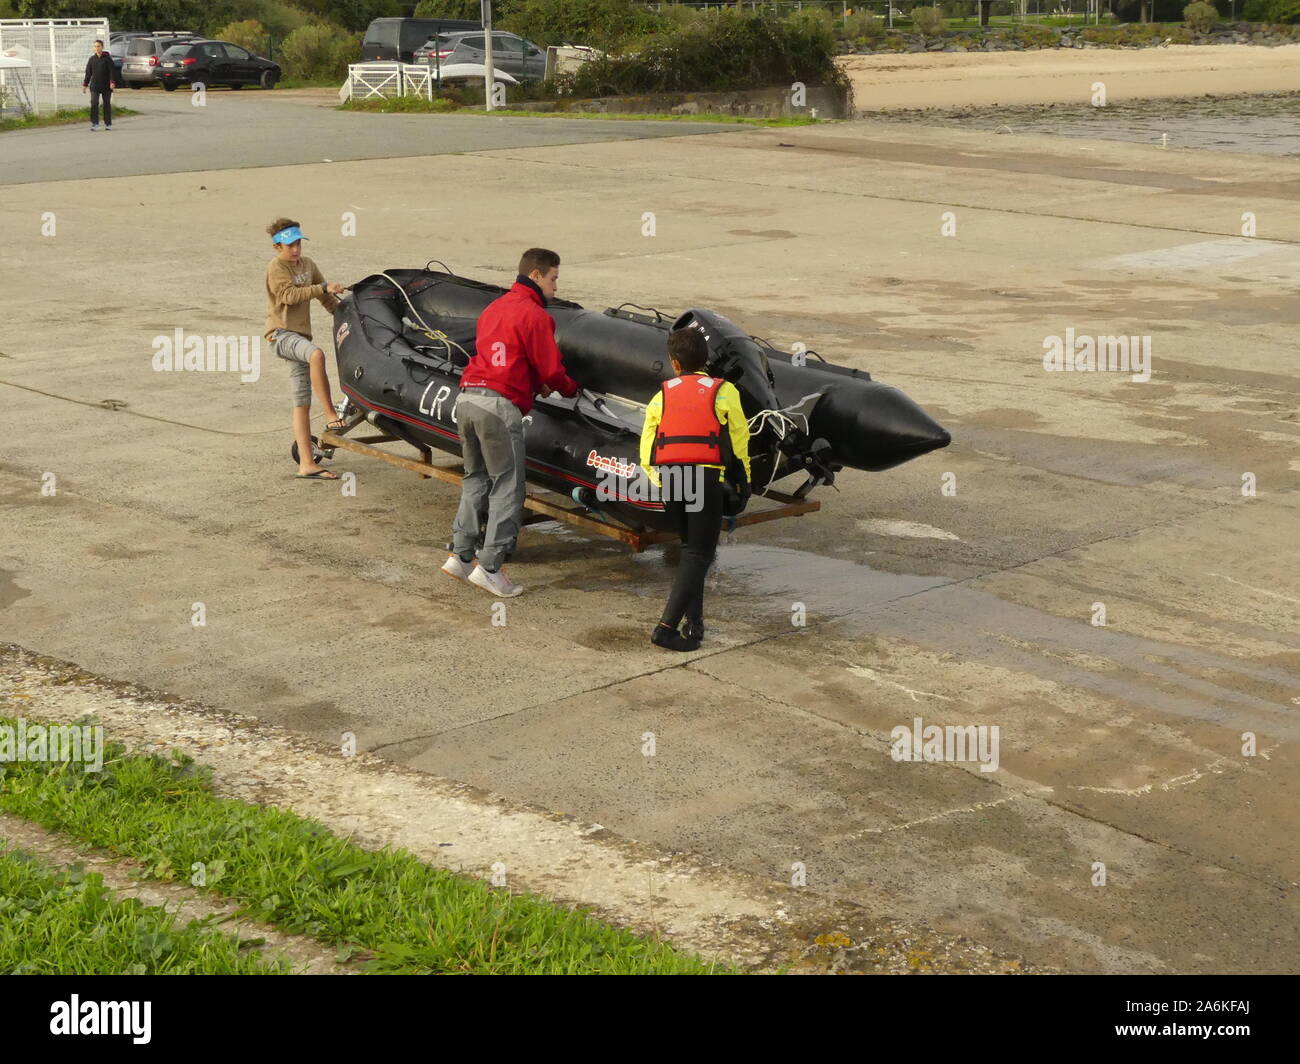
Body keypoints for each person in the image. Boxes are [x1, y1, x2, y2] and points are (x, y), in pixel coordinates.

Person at [441, 248, 578, 597]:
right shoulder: (536, 316)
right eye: (553, 279)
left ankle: (460, 555)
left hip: (468, 397)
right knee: (508, 486)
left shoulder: (493, 308)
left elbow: (503, 357)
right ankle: (490, 567)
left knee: (475, 478)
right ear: (535, 276)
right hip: (498, 407)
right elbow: (550, 369)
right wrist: (569, 387)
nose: (555, 288)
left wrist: (531, 380)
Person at [640, 328, 751, 652]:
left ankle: (695, 623)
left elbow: (647, 449)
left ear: (675, 364)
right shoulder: (724, 390)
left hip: (672, 479)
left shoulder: (662, 395)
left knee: (692, 551)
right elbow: (740, 437)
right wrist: (744, 481)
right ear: (706, 360)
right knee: (699, 554)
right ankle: (665, 628)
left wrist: (663, 482)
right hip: (704, 479)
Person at [262, 217, 347, 480]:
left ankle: (307, 463)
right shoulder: (276, 268)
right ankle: (332, 413)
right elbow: (288, 296)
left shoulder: (308, 265)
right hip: (281, 335)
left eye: (298, 243)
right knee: (316, 354)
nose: (296, 250)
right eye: (290, 246)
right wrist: (321, 287)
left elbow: (325, 297)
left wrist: (345, 314)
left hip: (300, 336)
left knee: (301, 404)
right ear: (278, 247)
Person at [82, 39, 116, 132]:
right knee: (94, 103)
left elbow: (112, 71)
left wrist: (112, 82)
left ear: (102, 47)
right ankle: (95, 123)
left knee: (106, 104)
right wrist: (85, 84)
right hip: (95, 86)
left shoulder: (107, 59)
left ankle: (108, 123)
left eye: (98, 46)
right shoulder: (92, 59)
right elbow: (88, 73)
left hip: (106, 86)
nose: (97, 48)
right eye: (95, 46)